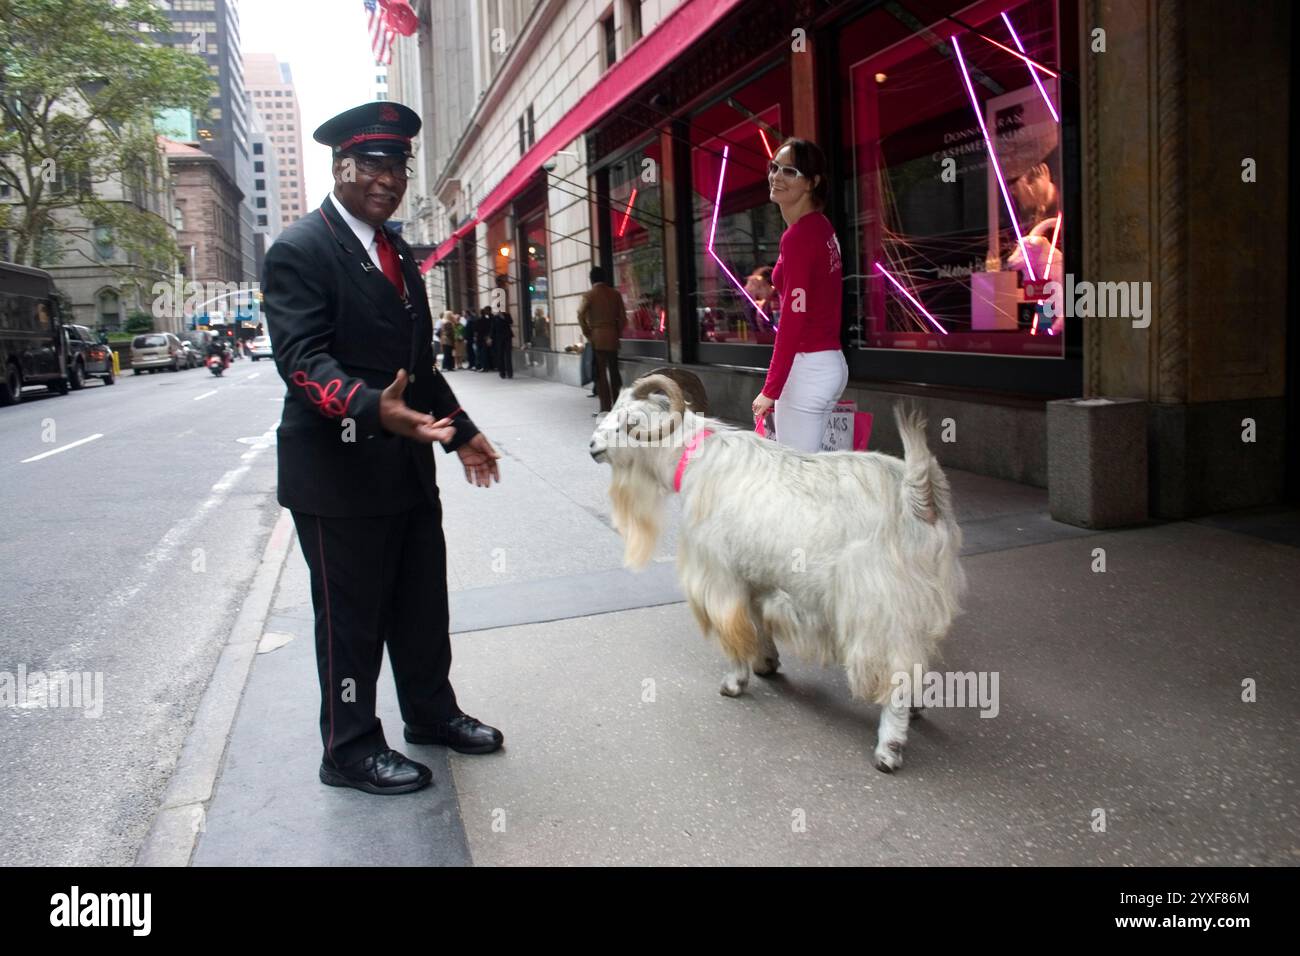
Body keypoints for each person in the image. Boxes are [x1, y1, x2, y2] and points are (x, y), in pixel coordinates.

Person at [262, 101, 504, 797]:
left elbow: (419, 368)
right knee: (352, 621)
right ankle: (348, 747)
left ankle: (431, 714)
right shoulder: (301, 250)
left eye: (396, 166)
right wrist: (372, 408)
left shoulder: (398, 252)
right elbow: (302, 361)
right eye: (371, 165)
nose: (387, 179)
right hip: (335, 474)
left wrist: (461, 433)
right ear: (339, 167)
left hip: (405, 465)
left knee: (421, 602)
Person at [750, 138, 847, 453]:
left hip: (807, 368)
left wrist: (770, 389)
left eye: (790, 171)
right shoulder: (820, 228)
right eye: (775, 167)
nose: (777, 176)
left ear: (812, 182)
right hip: (828, 364)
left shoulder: (800, 237)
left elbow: (793, 318)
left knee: (797, 479)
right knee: (815, 473)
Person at [577, 265, 627, 414]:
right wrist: (616, 332)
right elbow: (623, 318)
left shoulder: (589, 295)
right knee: (614, 372)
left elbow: (580, 314)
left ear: (591, 279)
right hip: (612, 336)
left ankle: (605, 408)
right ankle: (618, 405)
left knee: (600, 374)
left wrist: (588, 333)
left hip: (597, 338)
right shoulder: (615, 294)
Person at [491, 307, 514, 379]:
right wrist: (491, 338)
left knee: (508, 356)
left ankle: (510, 373)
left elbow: (510, 322)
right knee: (500, 356)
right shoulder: (495, 318)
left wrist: (503, 317)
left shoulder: (507, 315)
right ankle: (502, 372)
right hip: (499, 339)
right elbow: (493, 329)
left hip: (507, 338)